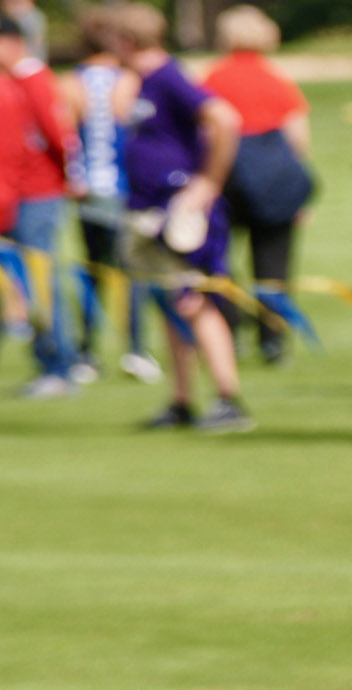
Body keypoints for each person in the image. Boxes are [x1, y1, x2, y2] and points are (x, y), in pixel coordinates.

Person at [114, 3, 252, 433]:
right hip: (150, 207)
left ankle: (228, 398)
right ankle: (182, 400)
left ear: (126, 40)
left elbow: (225, 118)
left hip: (179, 209)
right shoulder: (143, 80)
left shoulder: (167, 77)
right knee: (170, 303)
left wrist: (209, 182)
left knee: (196, 302)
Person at [201, 4, 313, 369]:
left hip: (227, 179)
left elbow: (204, 133)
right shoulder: (276, 79)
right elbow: (298, 138)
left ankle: (229, 329)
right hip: (274, 180)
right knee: (273, 264)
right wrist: (298, 193)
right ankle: (273, 341)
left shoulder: (213, 78)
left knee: (218, 259)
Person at [63, 5, 158, 386]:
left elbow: (66, 137)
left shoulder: (71, 82)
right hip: (124, 188)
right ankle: (136, 349)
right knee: (132, 271)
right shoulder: (128, 80)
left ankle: (87, 353)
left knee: (93, 271)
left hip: (88, 190)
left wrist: (74, 178)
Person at [0, 13, 74, 399]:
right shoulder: (13, 80)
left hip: (36, 194)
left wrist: (69, 177)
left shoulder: (33, 78)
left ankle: (58, 366)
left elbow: (59, 135)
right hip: (14, 194)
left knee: (40, 281)